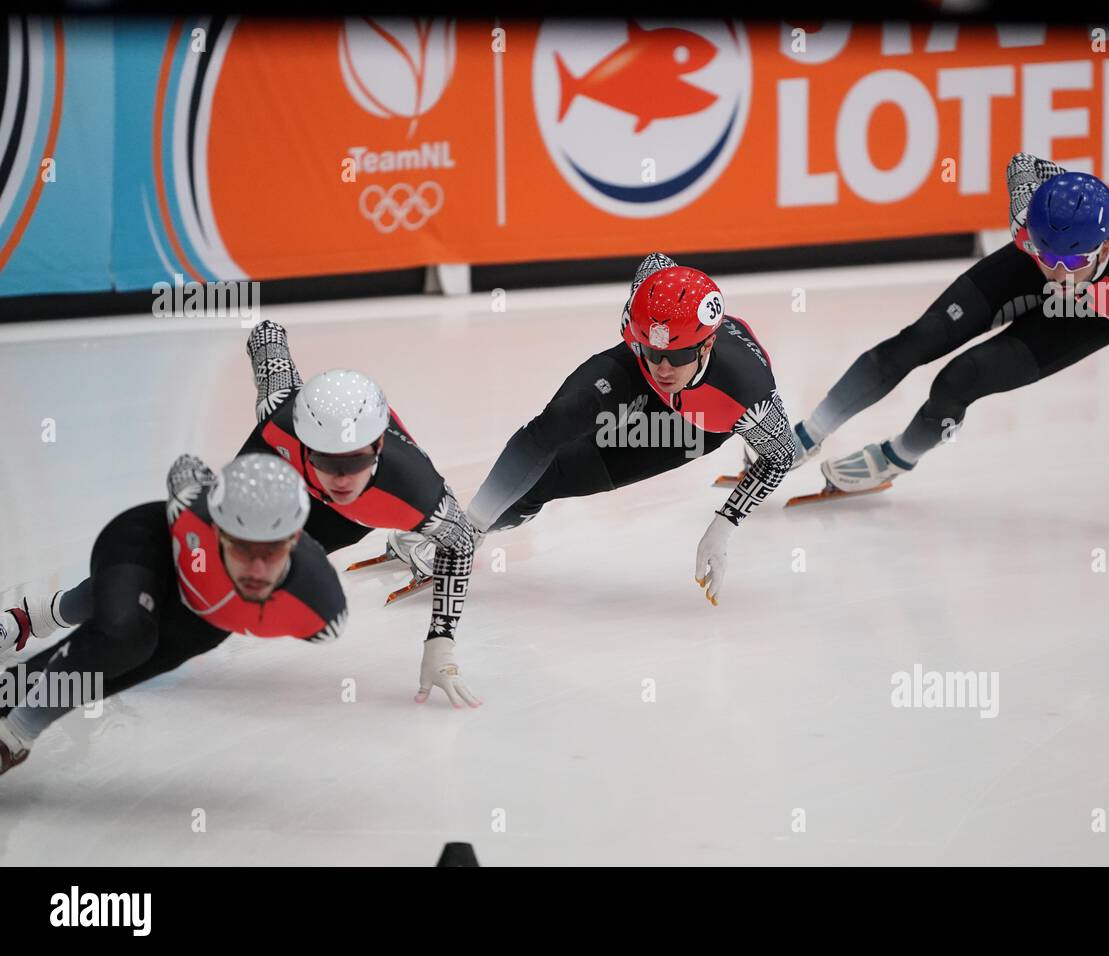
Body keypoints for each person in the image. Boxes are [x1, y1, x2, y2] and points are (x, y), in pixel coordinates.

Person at [778, 153, 1109, 503]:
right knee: (919, 339)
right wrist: (1094, 199)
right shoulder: (1028, 213)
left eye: (1069, 261)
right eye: (1044, 250)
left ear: (1104, 246)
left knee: (961, 379)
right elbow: (1024, 162)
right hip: (1029, 270)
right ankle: (809, 433)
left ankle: (898, 457)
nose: (1054, 269)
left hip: (1092, 310)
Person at [466, 255, 796, 606]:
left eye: (679, 356)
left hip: (693, 423)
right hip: (631, 375)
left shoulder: (747, 395)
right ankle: (466, 531)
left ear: (706, 346)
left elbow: (781, 456)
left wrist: (723, 526)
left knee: (552, 478)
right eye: (654, 351)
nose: (664, 368)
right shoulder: (648, 302)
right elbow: (655, 260)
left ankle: (483, 526)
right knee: (555, 424)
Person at [0, 454, 347, 775]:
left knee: (111, 664)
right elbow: (187, 465)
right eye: (242, 548)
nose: (256, 569)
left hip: (201, 618)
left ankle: (12, 714)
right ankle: (23, 633)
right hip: (149, 540)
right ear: (220, 532)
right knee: (123, 630)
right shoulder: (192, 511)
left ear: (292, 541)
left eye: (270, 553)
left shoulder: (320, 608)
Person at [239, 321, 478, 706]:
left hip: (345, 520)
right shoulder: (279, 417)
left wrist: (441, 641)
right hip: (285, 482)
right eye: (327, 461)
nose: (342, 478)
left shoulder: (414, 488)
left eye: (357, 461)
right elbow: (268, 346)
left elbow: (461, 542)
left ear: (379, 445)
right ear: (304, 443)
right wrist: (267, 329)